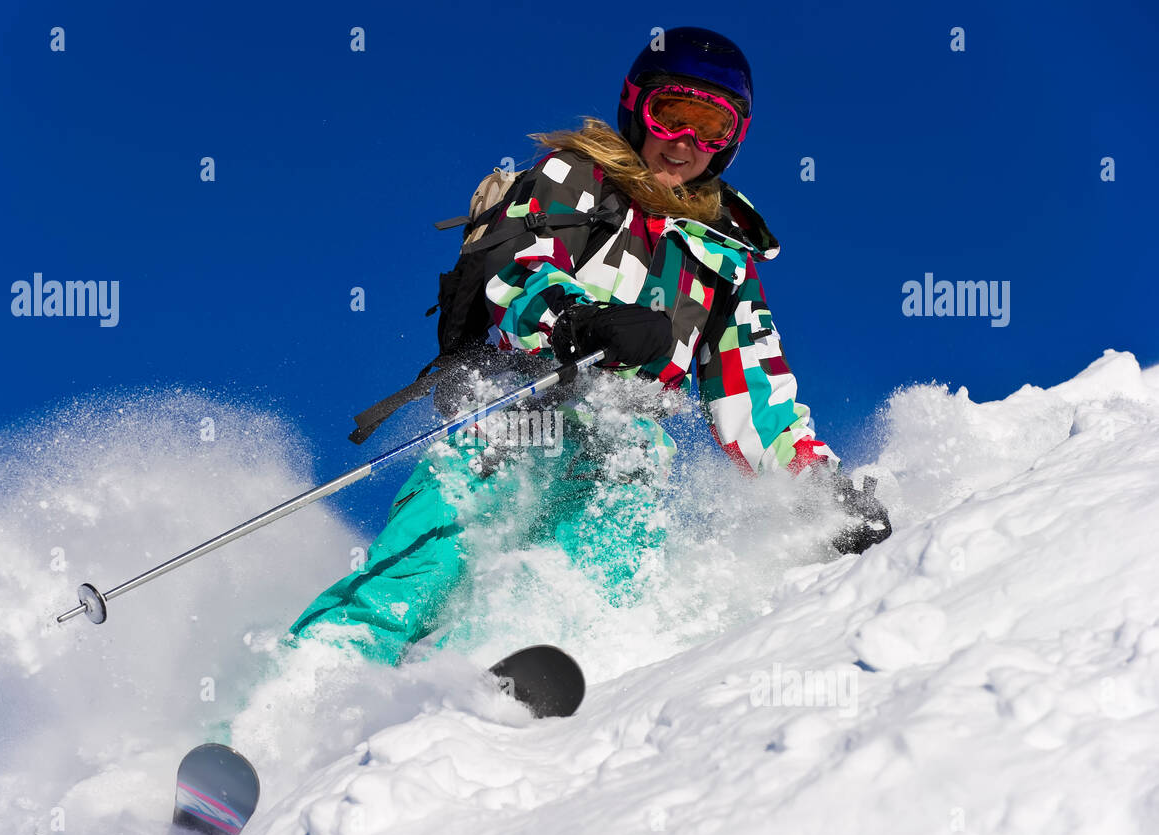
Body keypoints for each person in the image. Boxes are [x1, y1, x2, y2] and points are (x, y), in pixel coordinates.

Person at [286, 26, 890, 666]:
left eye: (711, 126)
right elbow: (518, 266)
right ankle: (299, 699)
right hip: (523, 414)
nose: (687, 143)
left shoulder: (725, 260)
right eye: (673, 115)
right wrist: (579, 320)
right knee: (426, 566)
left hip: (629, 446)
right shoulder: (579, 176)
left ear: (731, 141)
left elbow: (756, 396)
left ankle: (484, 688)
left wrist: (819, 493)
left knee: (586, 585)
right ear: (639, 108)